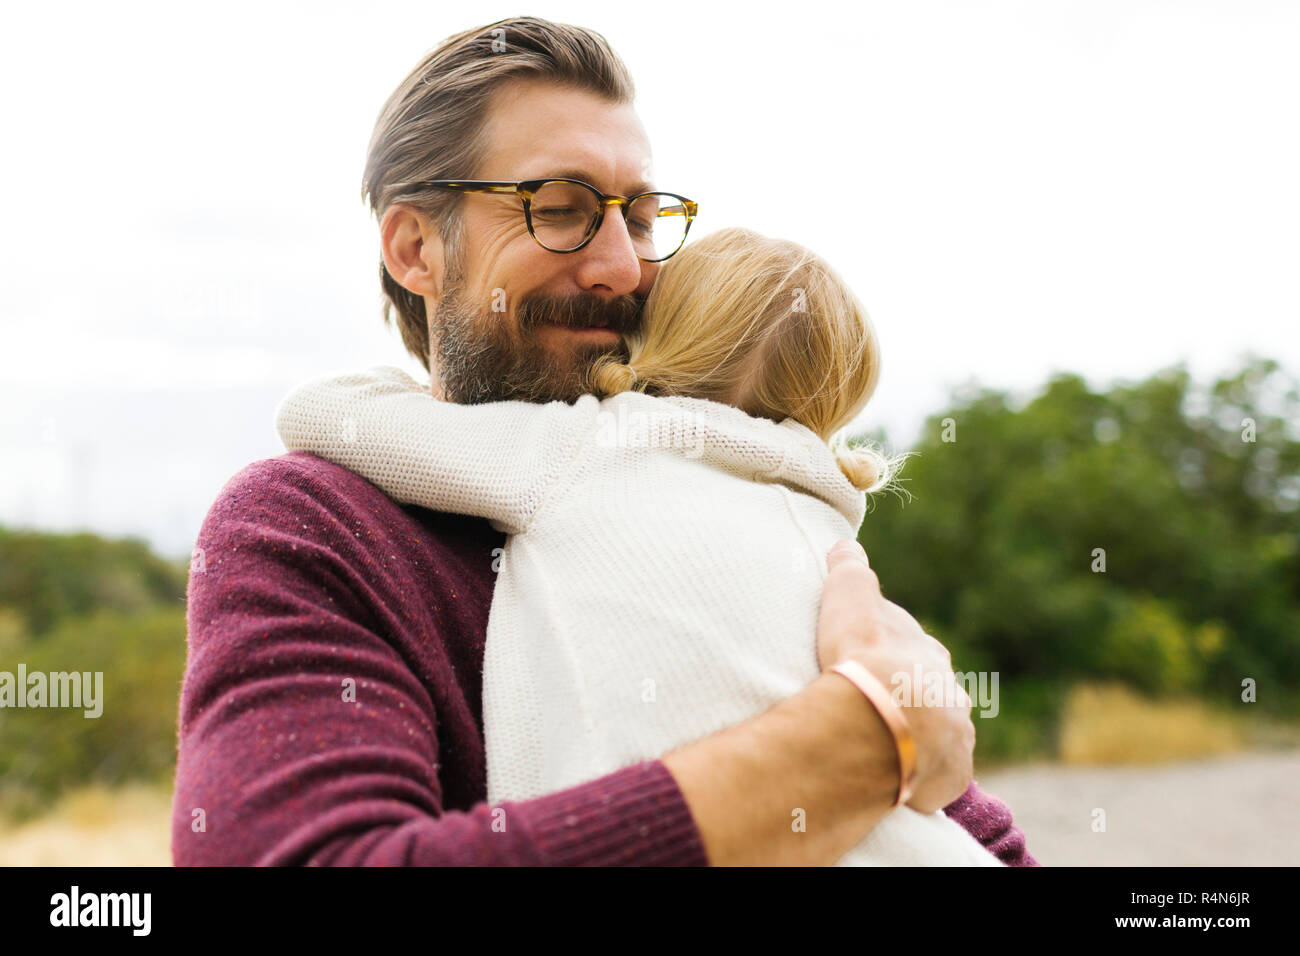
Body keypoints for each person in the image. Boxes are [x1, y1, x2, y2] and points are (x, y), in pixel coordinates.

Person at [171, 15, 1036, 866]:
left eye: (644, 218)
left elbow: (981, 840)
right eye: (559, 210)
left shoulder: (752, 494)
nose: (624, 267)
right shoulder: (315, 527)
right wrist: (863, 744)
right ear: (415, 248)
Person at [274, 225, 1002, 866]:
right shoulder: (830, 533)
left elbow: (323, 415)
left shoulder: (583, 446)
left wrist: (411, 383)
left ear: (648, 334)